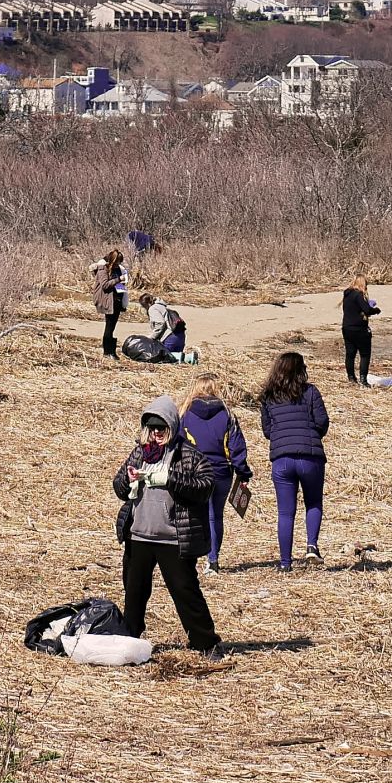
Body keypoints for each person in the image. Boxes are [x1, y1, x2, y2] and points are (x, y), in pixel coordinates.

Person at [114, 395, 222, 656]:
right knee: (134, 592)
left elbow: (205, 487)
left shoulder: (190, 455)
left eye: (161, 428)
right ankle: (130, 639)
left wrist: (170, 478)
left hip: (173, 538)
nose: (156, 433)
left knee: (185, 591)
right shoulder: (140, 453)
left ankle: (206, 643)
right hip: (139, 535)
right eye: (152, 428)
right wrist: (129, 482)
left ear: (172, 426)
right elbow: (118, 486)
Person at [257, 350, 329, 569]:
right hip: (310, 456)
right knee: (313, 502)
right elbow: (322, 423)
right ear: (300, 371)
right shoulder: (311, 392)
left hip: (282, 459)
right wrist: (310, 432)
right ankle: (311, 546)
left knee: (285, 512)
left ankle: (285, 562)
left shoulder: (268, 396)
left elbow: (267, 431)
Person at [179, 379, 252, 571]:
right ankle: (213, 559)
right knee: (215, 516)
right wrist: (243, 472)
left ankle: (190, 558)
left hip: (194, 472)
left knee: (193, 515)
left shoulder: (184, 413)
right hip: (221, 472)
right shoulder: (227, 414)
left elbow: (178, 443)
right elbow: (236, 447)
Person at [341, 280, 379, 384]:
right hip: (359, 329)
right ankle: (363, 379)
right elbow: (367, 310)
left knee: (350, 354)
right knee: (365, 354)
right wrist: (376, 310)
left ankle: (351, 378)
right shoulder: (358, 295)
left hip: (347, 328)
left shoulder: (347, 294)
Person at [92, 249, 128, 359]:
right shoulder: (103, 269)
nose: (119, 264)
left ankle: (111, 351)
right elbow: (105, 285)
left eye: (120, 262)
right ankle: (108, 352)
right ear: (112, 260)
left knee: (112, 326)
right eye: (117, 262)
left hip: (117, 301)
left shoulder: (119, 269)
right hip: (108, 301)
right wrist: (118, 279)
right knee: (109, 326)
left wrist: (123, 283)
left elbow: (119, 283)